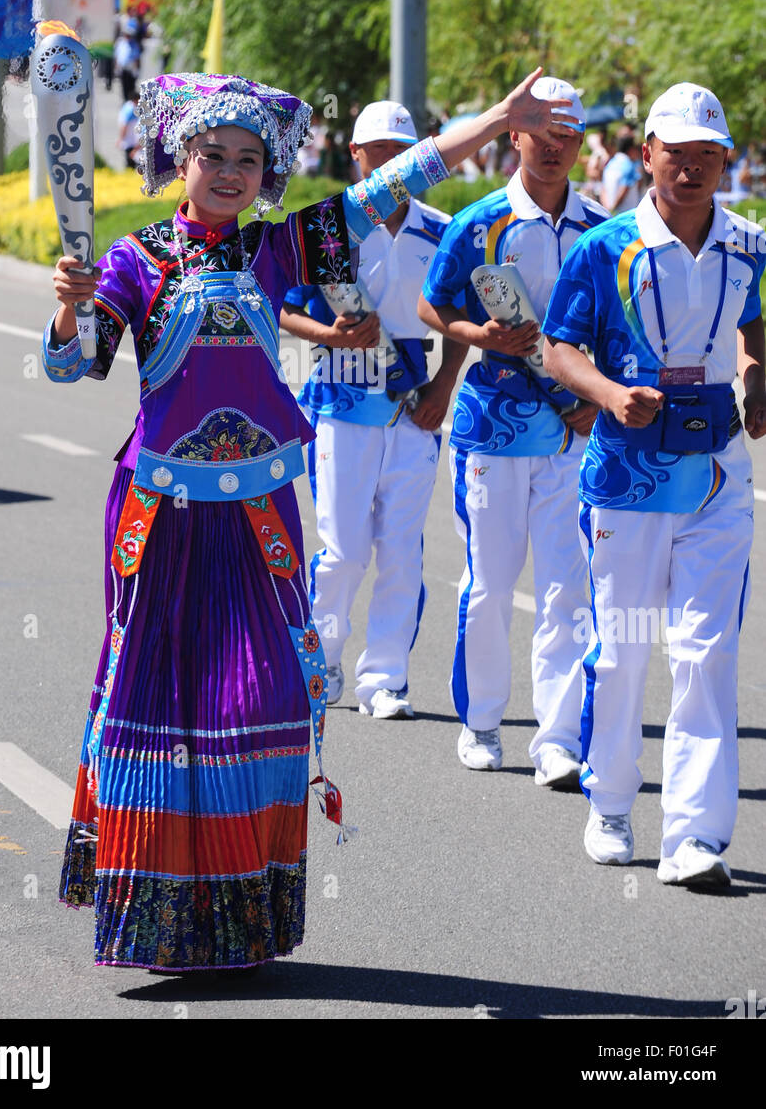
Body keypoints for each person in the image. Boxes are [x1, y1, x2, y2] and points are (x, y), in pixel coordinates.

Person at [42, 65, 571, 972]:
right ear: (181, 157)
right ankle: (157, 924)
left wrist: (492, 121)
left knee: (270, 700)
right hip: (160, 514)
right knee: (162, 710)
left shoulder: (277, 249)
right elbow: (71, 367)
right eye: (214, 154)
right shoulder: (133, 259)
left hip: (259, 516)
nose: (231, 171)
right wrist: (69, 309)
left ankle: (240, 920)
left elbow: (394, 184)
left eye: (249, 159)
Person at [542, 82, 766, 886]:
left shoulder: (748, 244)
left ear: (724, 162)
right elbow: (557, 347)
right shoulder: (604, 249)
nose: (692, 169)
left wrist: (756, 376)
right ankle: (609, 804)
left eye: (708, 155)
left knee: (707, 652)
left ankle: (694, 839)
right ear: (646, 157)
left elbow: (752, 322)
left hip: (715, 474)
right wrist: (606, 395)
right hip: (625, 475)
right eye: (677, 154)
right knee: (625, 649)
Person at [418, 77, 608, 785]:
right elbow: (431, 304)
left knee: (567, 588)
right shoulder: (478, 223)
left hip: (575, 435)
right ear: (514, 135)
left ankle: (556, 740)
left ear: (580, 143)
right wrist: (480, 335)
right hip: (493, 429)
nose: (553, 148)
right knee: (491, 585)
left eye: (567, 136)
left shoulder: (601, 229)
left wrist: (598, 395)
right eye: (541, 133)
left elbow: (614, 328)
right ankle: (482, 721)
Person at [280, 100, 466, 718]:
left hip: (414, 410)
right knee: (343, 550)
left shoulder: (443, 230)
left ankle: (384, 679)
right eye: (377, 152)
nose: (389, 165)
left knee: (402, 550)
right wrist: (328, 336)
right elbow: (280, 306)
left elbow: (464, 312)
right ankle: (321, 660)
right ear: (355, 157)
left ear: (419, 159)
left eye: (401, 154)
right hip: (340, 404)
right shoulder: (329, 230)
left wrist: (444, 384)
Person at [600, 131, 641, 214]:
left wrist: (607, 209)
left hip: (609, 212)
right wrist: (614, 208)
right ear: (631, 149)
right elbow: (624, 189)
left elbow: (603, 189)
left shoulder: (610, 163)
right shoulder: (629, 165)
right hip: (625, 213)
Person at [116, 91, 141, 169]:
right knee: (131, 161)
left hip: (131, 139)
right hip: (130, 140)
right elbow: (124, 125)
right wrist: (121, 138)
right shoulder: (131, 109)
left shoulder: (128, 105)